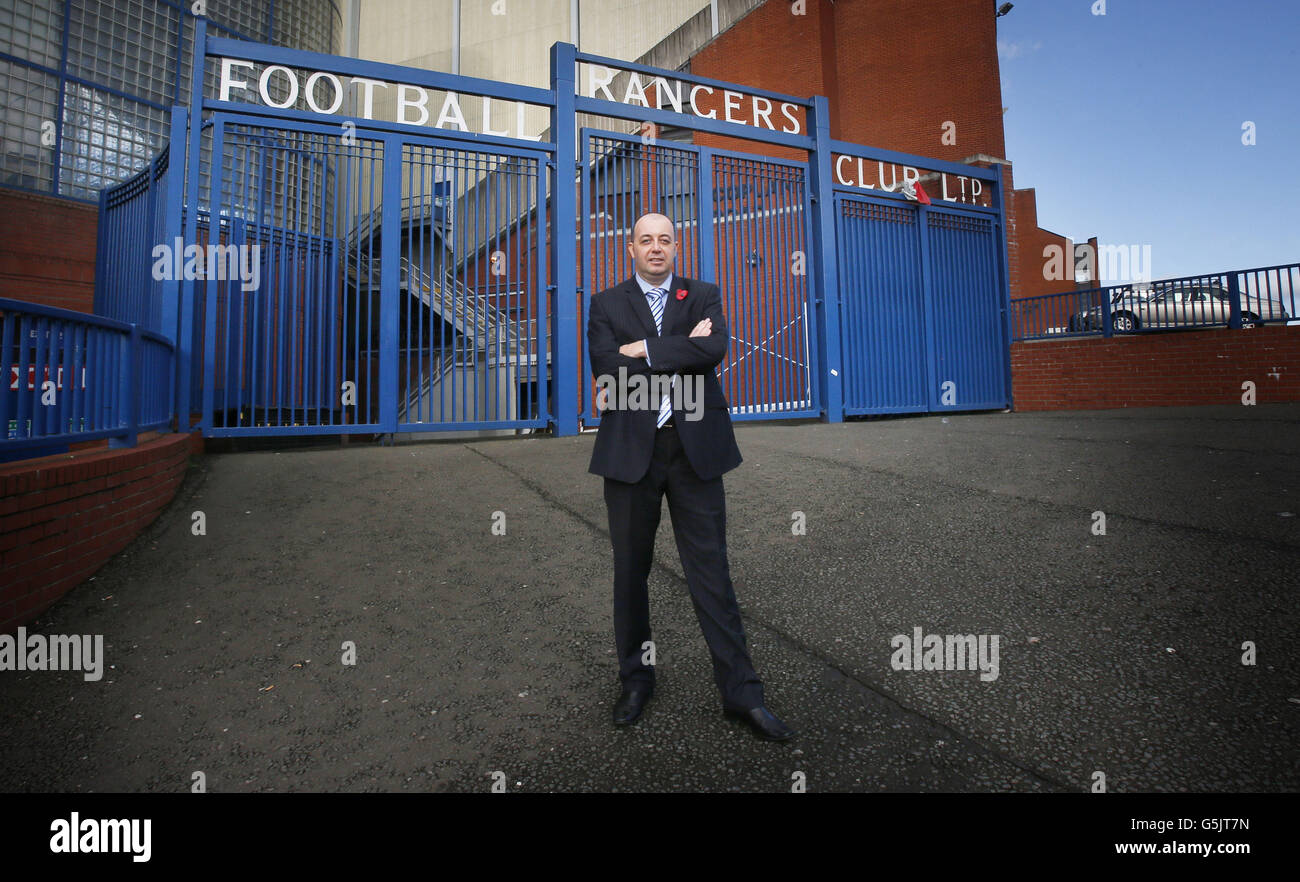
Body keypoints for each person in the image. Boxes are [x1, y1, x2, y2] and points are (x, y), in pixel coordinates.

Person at [585, 212, 795, 741]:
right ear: (630, 248)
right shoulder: (606, 303)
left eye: (665, 240)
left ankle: (742, 693)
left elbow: (715, 349)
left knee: (712, 574)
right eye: (646, 240)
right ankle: (636, 680)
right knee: (630, 574)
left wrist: (645, 350)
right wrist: (676, 351)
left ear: (676, 247)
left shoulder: (702, 294)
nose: (656, 248)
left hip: (694, 451)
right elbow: (609, 369)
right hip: (632, 455)